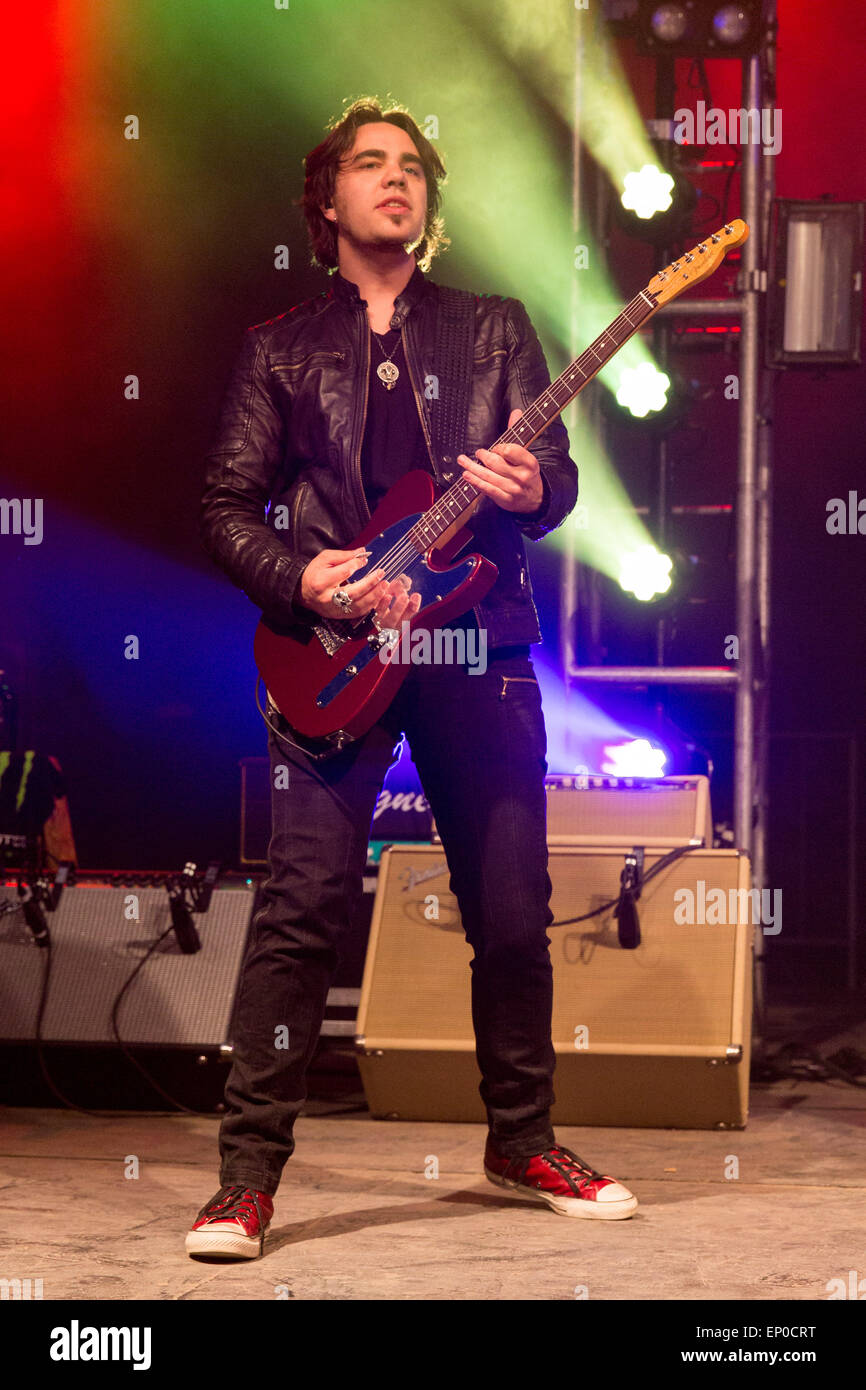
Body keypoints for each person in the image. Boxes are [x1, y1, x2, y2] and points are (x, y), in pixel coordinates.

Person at [188, 98, 637, 1260]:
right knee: (298, 914)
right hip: (335, 656)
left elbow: (560, 481)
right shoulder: (279, 347)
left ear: (428, 202)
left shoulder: (494, 329)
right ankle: (244, 1180)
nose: (395, 180)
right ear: (326, 202)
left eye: (411, 168)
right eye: (368, 165)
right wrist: (305, 582)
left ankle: (520, 1138)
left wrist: (536, 490)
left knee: (510, 914)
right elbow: (224, 507)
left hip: (473, 642)